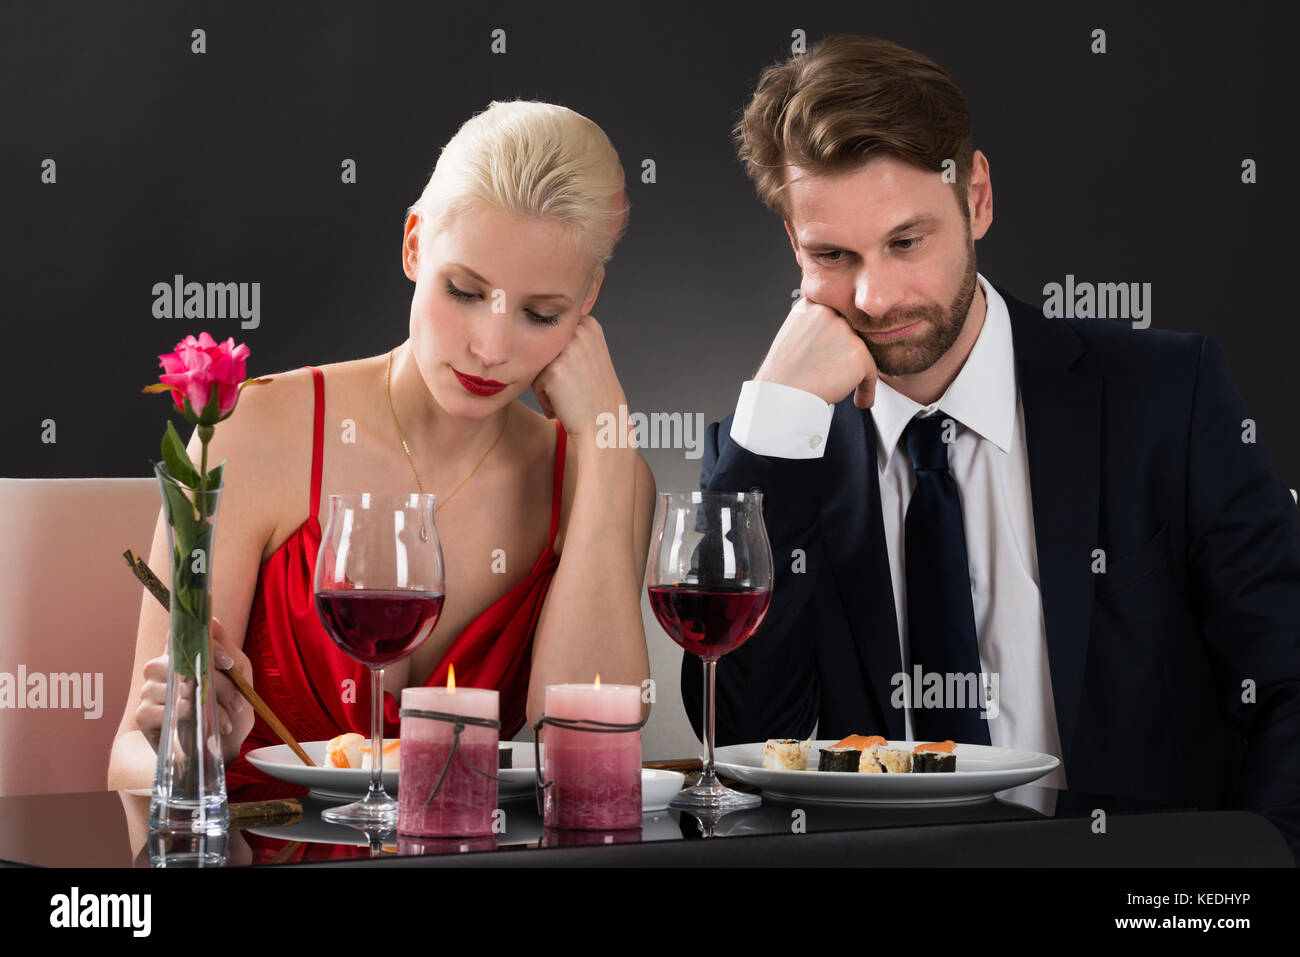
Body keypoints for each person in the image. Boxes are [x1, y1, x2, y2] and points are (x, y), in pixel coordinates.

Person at [682, 34, 1300, 860]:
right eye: (833, 255)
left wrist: (1243, 893)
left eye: (907, 241)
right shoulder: (770, 444)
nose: (876, 295)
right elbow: (748, 739)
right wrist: (773, 428)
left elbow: (1289, 681)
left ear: (975, 197)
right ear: (794, 246)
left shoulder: (1168, 396)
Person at [110, 100, 656, 800]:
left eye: (541, 313)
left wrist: (607, 446)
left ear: (588, 306)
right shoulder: (257, 429)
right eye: (464, 290)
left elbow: (585, 763)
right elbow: (131, 751)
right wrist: (189, 753)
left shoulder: (599, 479)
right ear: (413, 244)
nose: (489, 348)